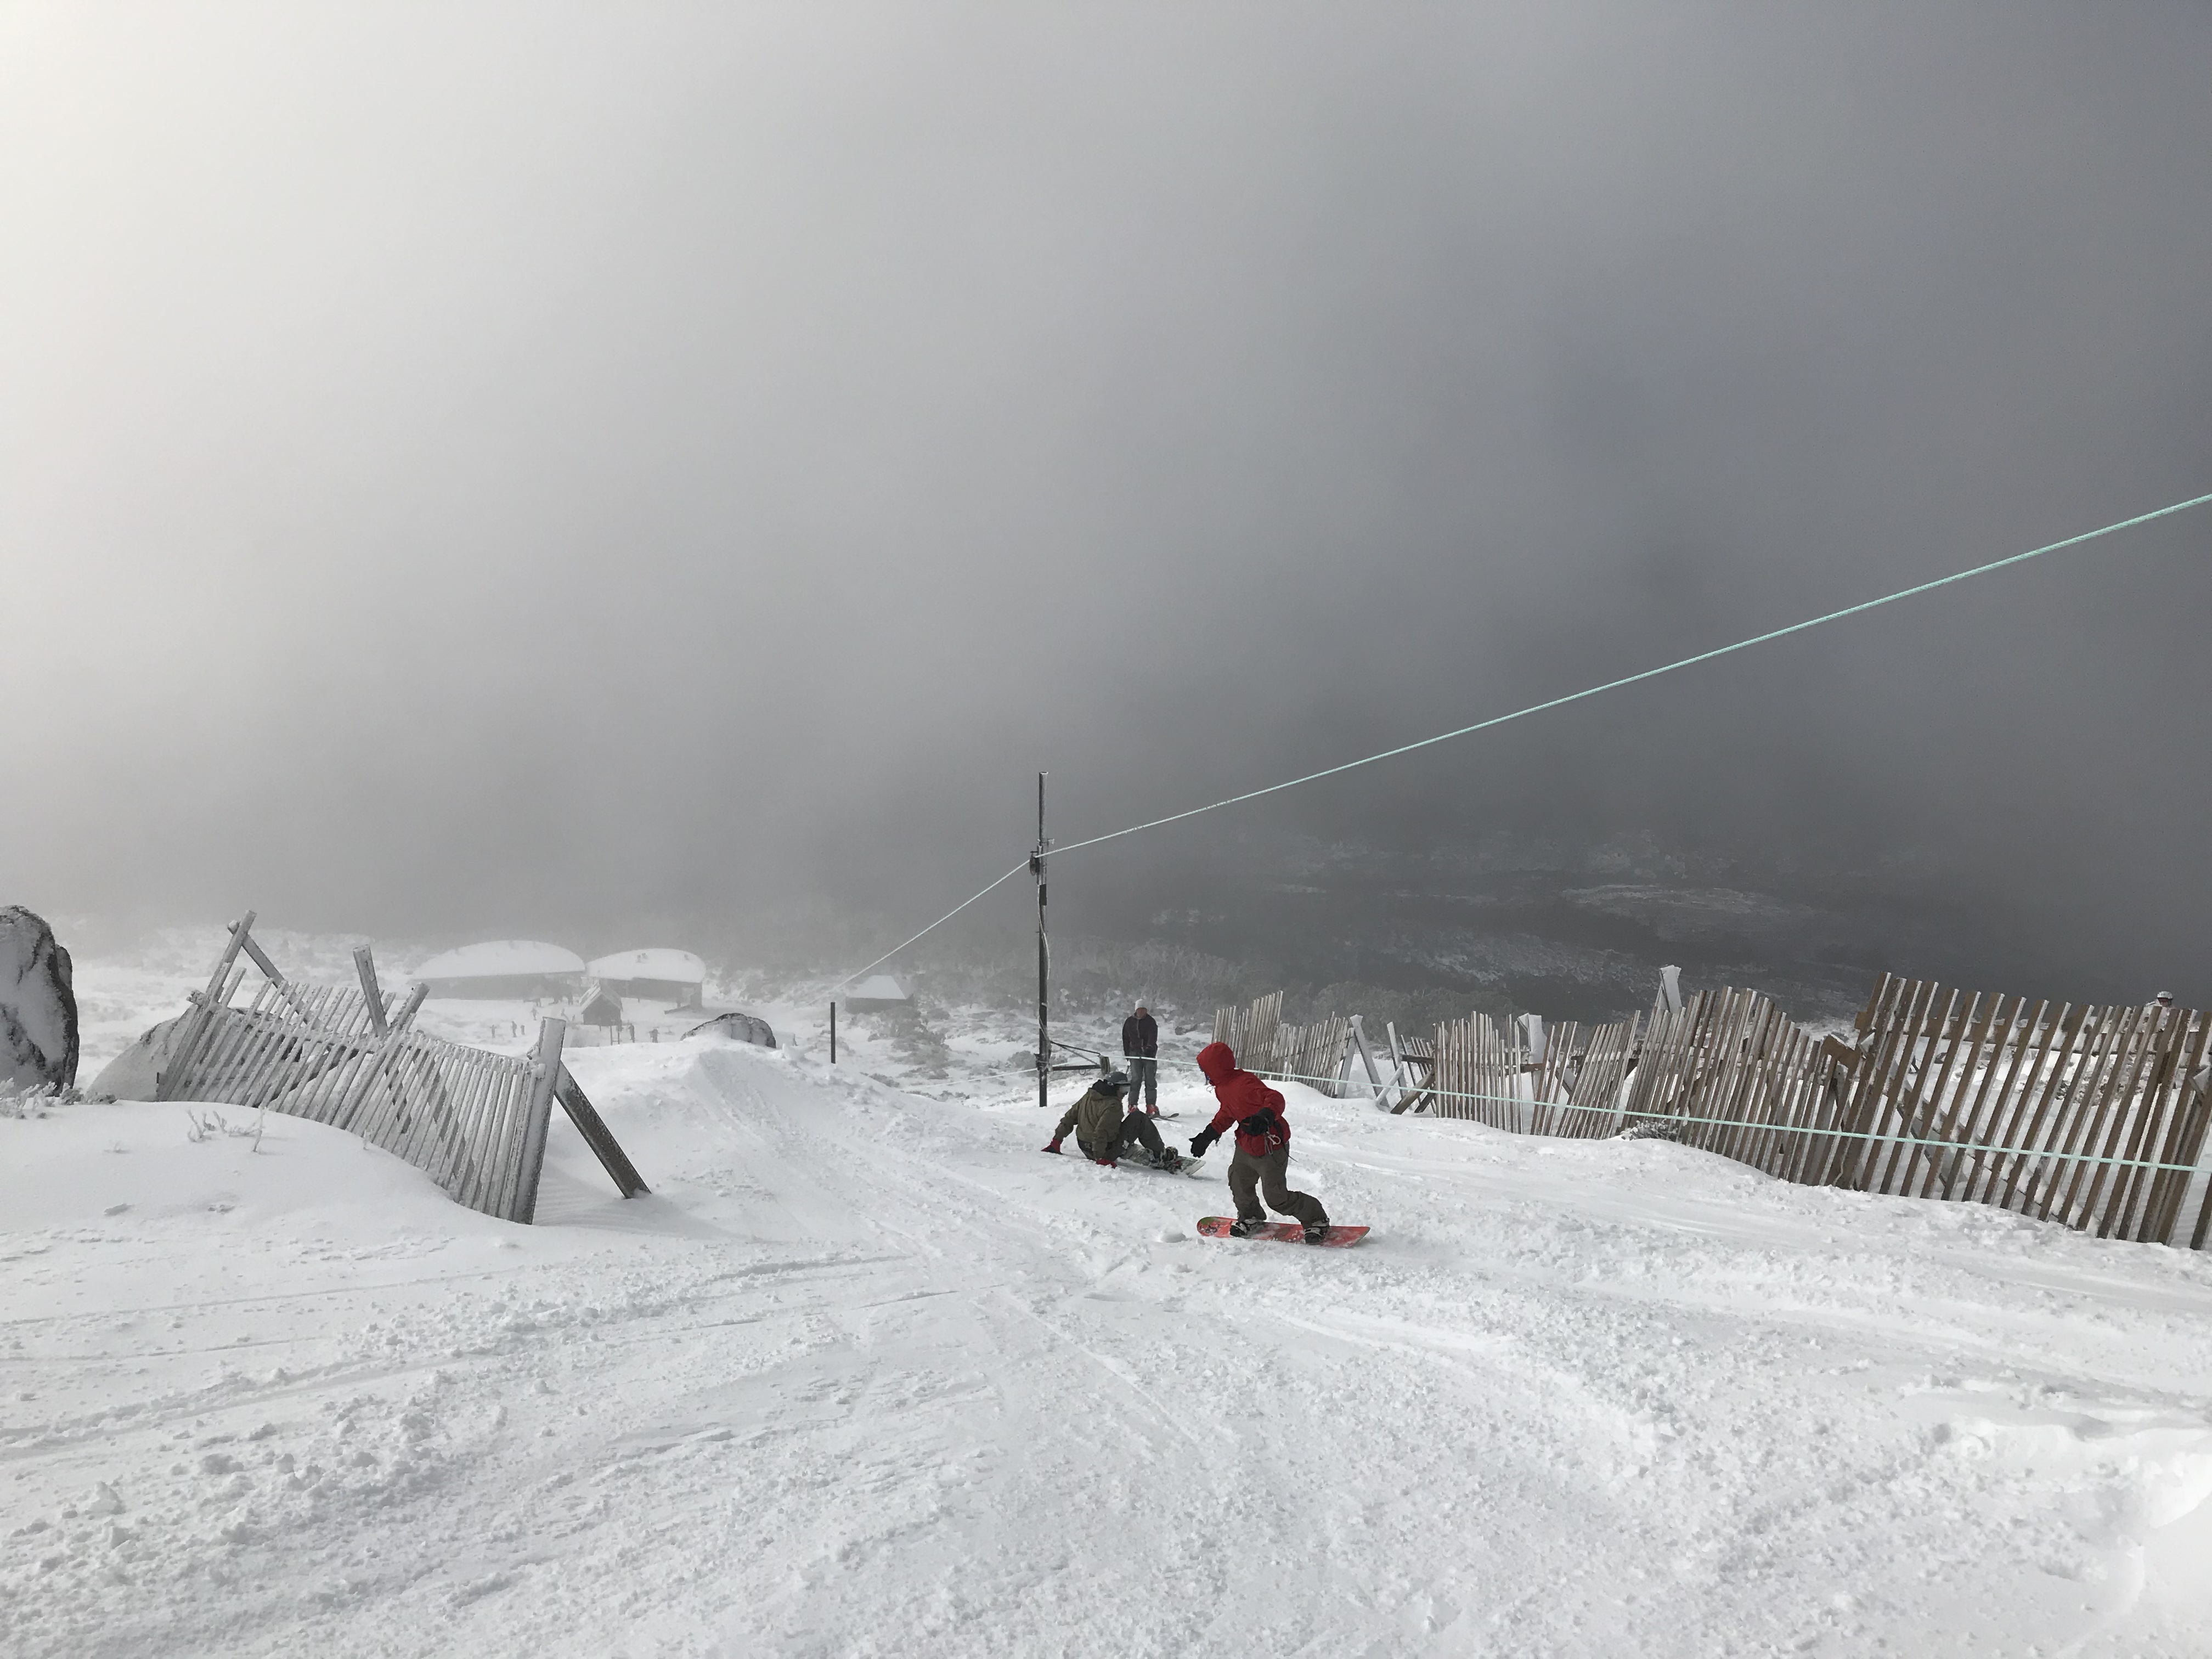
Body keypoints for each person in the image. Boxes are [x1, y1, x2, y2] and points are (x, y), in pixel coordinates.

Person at [1188, 1041, 1330, 1243]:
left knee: (1276, 1198)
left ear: (1215, 1068)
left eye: (1206, 1070)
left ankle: (1316, 1219)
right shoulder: (1223, 1087)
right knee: (1239, 1181)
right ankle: (1251, 1217)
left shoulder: (1244, 1083)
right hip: (1246, 1144)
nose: (1205, 1075)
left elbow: (1276, 1098)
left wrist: (1264, 1117)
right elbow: (1228, 1112)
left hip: (1270, 1146)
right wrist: (1208, 1135)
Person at [1044, 1071, 1185, 1170]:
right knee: (1139, 1118)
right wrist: (1101, 1157)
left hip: (1084, 1147)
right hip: (1102, 1151)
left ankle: (1119, 1146)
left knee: (1116, 1125)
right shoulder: (1113, 1105)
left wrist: (1056, 1142)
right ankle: (1160, 1156)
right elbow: (1101, 1132)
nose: (1125, 1093)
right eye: (1124, 1088)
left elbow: (1069, 1118)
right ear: (1114, 1088)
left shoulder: (1089, 1096)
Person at [1121, 1002, 1160, 1116]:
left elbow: (1153, 1036)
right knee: (1136, 1079)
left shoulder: (1151, 1021)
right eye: (1140, 1009)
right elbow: (1125, 1038)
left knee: (1150, 1080)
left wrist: (1149, 1048)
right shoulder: (1129, 1022)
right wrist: (1127, 1054)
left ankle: (1151, 1105)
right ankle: (1132, 1105)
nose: (1142, 1011)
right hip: (1134, 1054)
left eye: (1144, 1009)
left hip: (1149, 1054)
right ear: (1136, 1010)